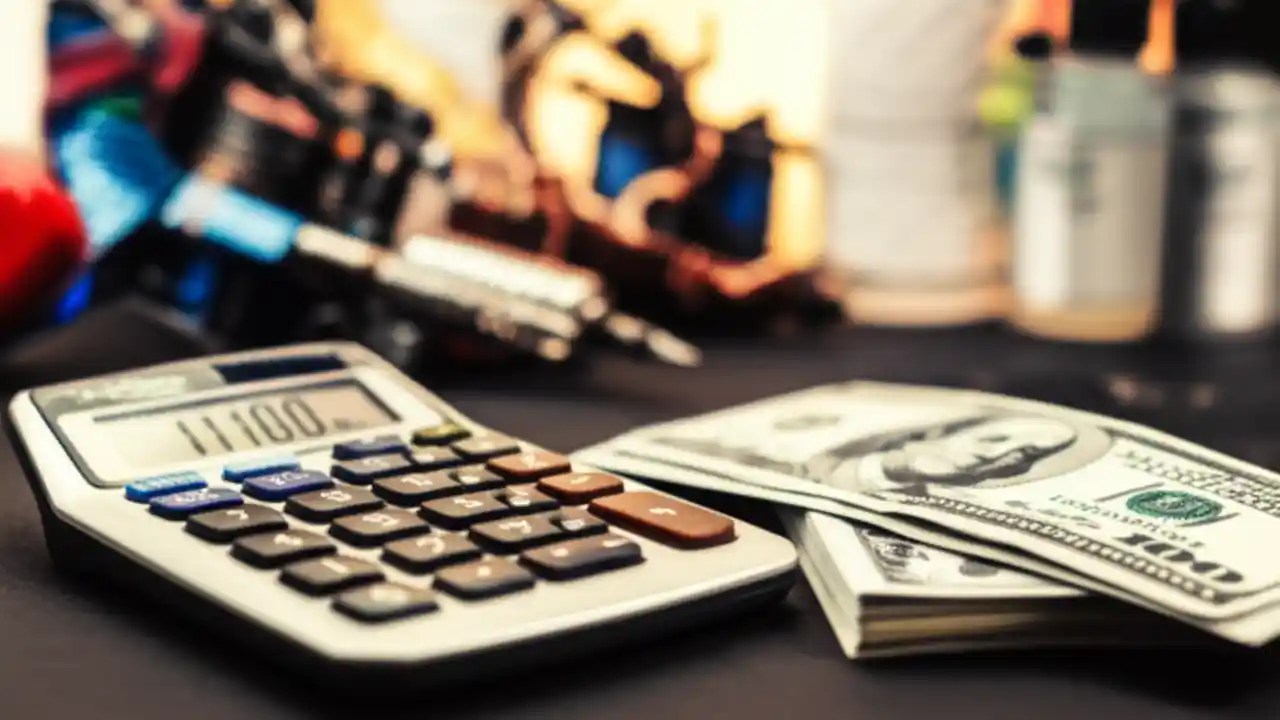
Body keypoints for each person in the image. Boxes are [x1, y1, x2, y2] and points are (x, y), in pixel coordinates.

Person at [806, 415, 1079, 496]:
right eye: (995, 438)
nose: (999, 454)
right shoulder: (816, 459)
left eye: (1027, 452)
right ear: (942, 431)